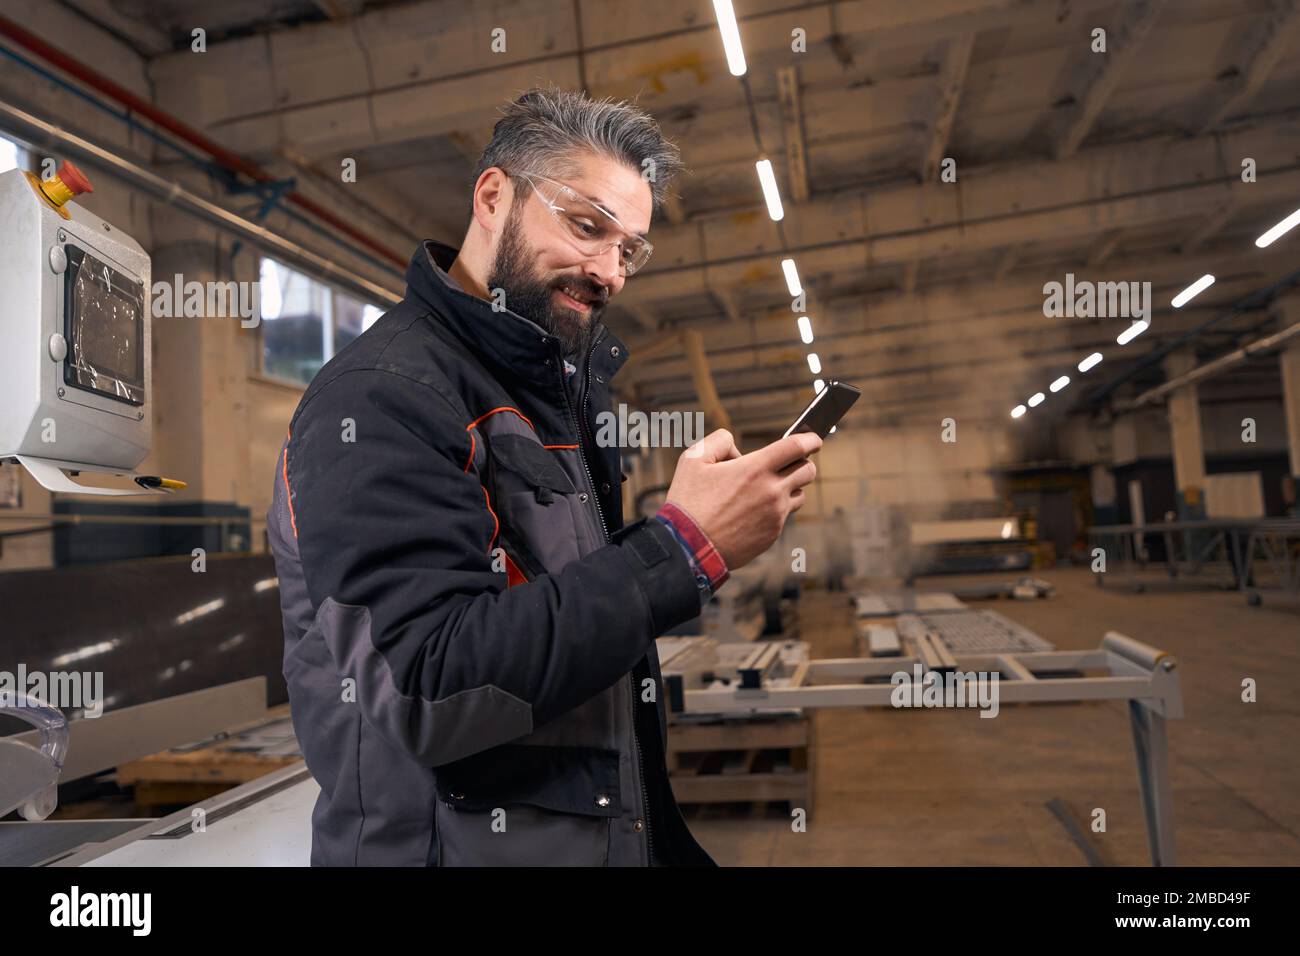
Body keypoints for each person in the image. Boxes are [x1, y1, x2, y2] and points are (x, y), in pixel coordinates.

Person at [267, 88, 821, 866]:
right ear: (494, 195)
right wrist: (682, 547)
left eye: (629, 249)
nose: (610, 271)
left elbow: (568, 622)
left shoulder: (552, 397)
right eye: (588, 226)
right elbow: (429, 688)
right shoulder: (383, 395)